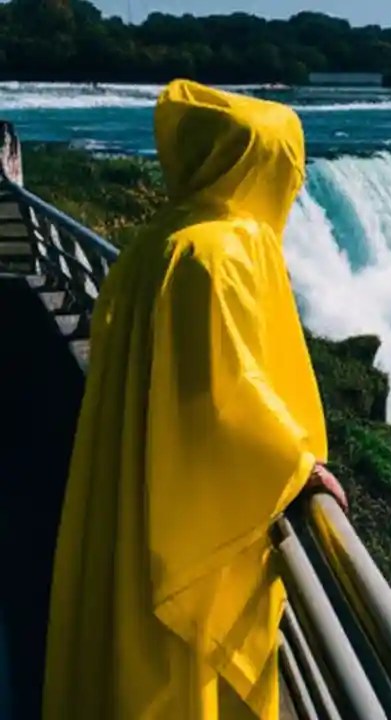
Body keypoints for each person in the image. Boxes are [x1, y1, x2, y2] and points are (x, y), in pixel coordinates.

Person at [42, 79, 346, 719]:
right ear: (253, 164)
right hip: (184, 516)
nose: (292, 182)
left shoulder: (163, 240)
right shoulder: (219, 252)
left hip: (141, 484)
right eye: (285, 164)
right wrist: (298, 466)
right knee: (177, 669)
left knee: (125, 632)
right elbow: (226, 392)